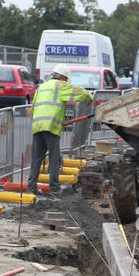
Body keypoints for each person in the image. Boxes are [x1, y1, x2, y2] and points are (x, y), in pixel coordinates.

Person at [27, 64, 91, 194]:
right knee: (54, 157)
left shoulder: (41, 87)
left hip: (38, 125)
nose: (66, 81)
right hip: (51, 126)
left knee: (37, 158)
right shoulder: (61, 86)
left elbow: (33, 108)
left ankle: (31, 187)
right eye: (66, 79)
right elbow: (80, 93)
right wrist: (90, 98)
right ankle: (54, 187)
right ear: (62, 77)